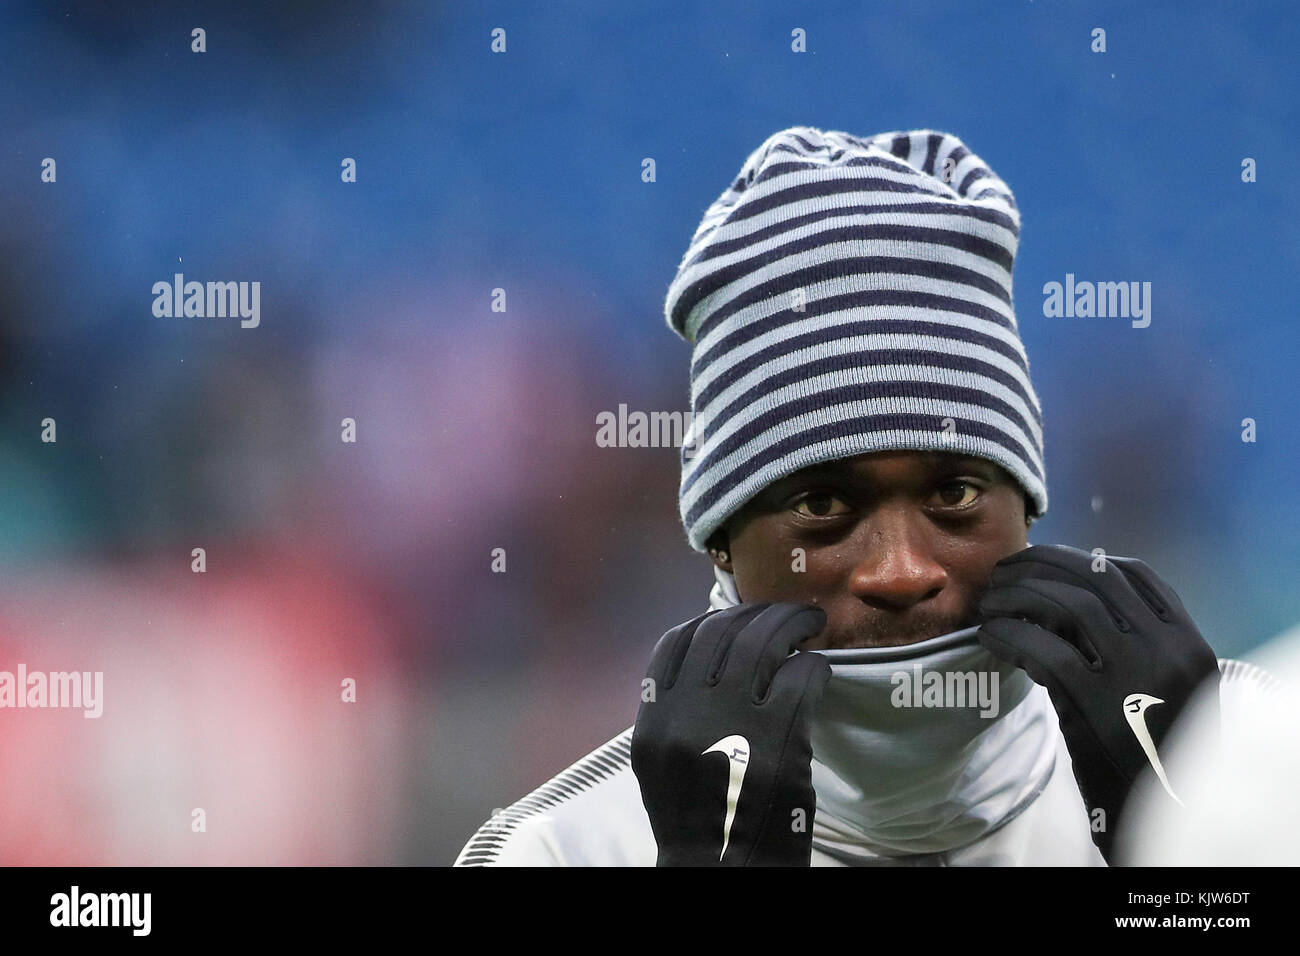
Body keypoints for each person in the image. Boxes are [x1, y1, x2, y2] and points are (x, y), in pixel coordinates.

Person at [454, 126, 1270, 867]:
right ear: (720, 540)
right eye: (821, 506)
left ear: (1028, 507)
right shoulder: (561, 851)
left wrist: (1196, 876)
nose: (903, 570)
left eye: (954, 492)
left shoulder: (1271, 761)